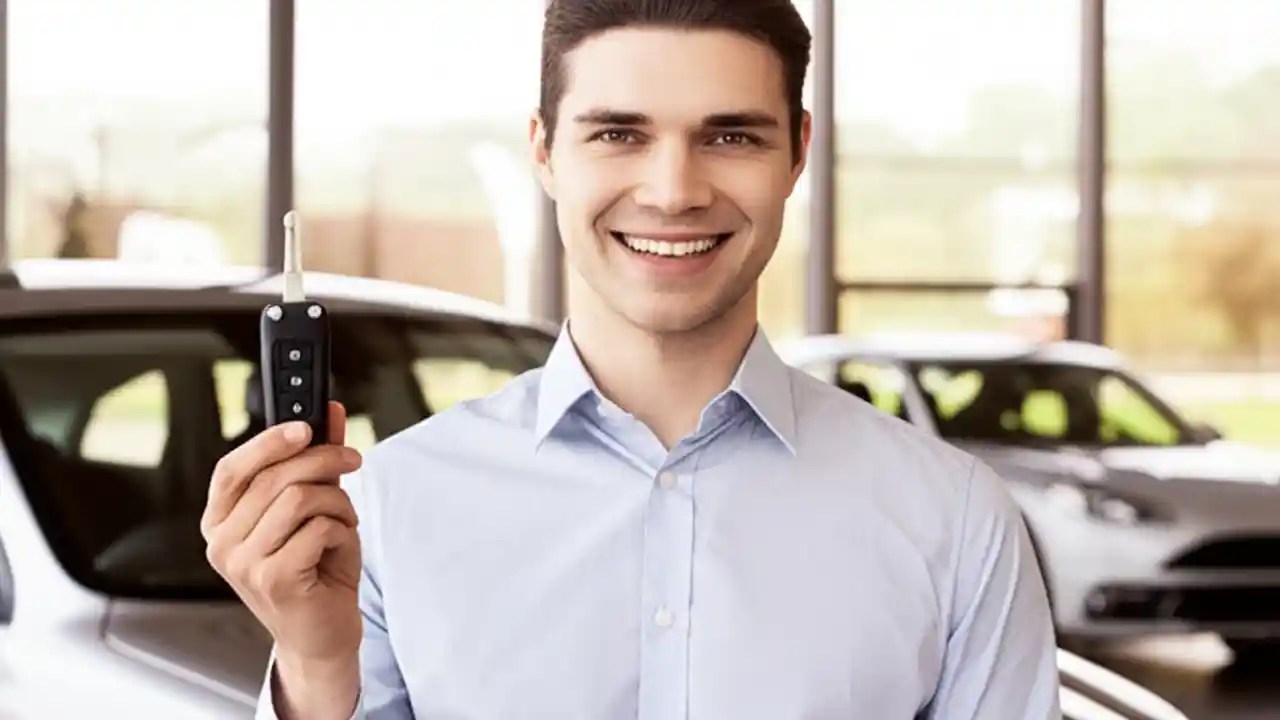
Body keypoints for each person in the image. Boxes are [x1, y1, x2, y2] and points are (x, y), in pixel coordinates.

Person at [201, 1, 1062, 718]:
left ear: (798, 152)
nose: (674, 190)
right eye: (619, 133)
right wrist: (315, 670)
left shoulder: (954, 522)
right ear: (544, 150)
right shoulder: (394, 508)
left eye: (730, 138)